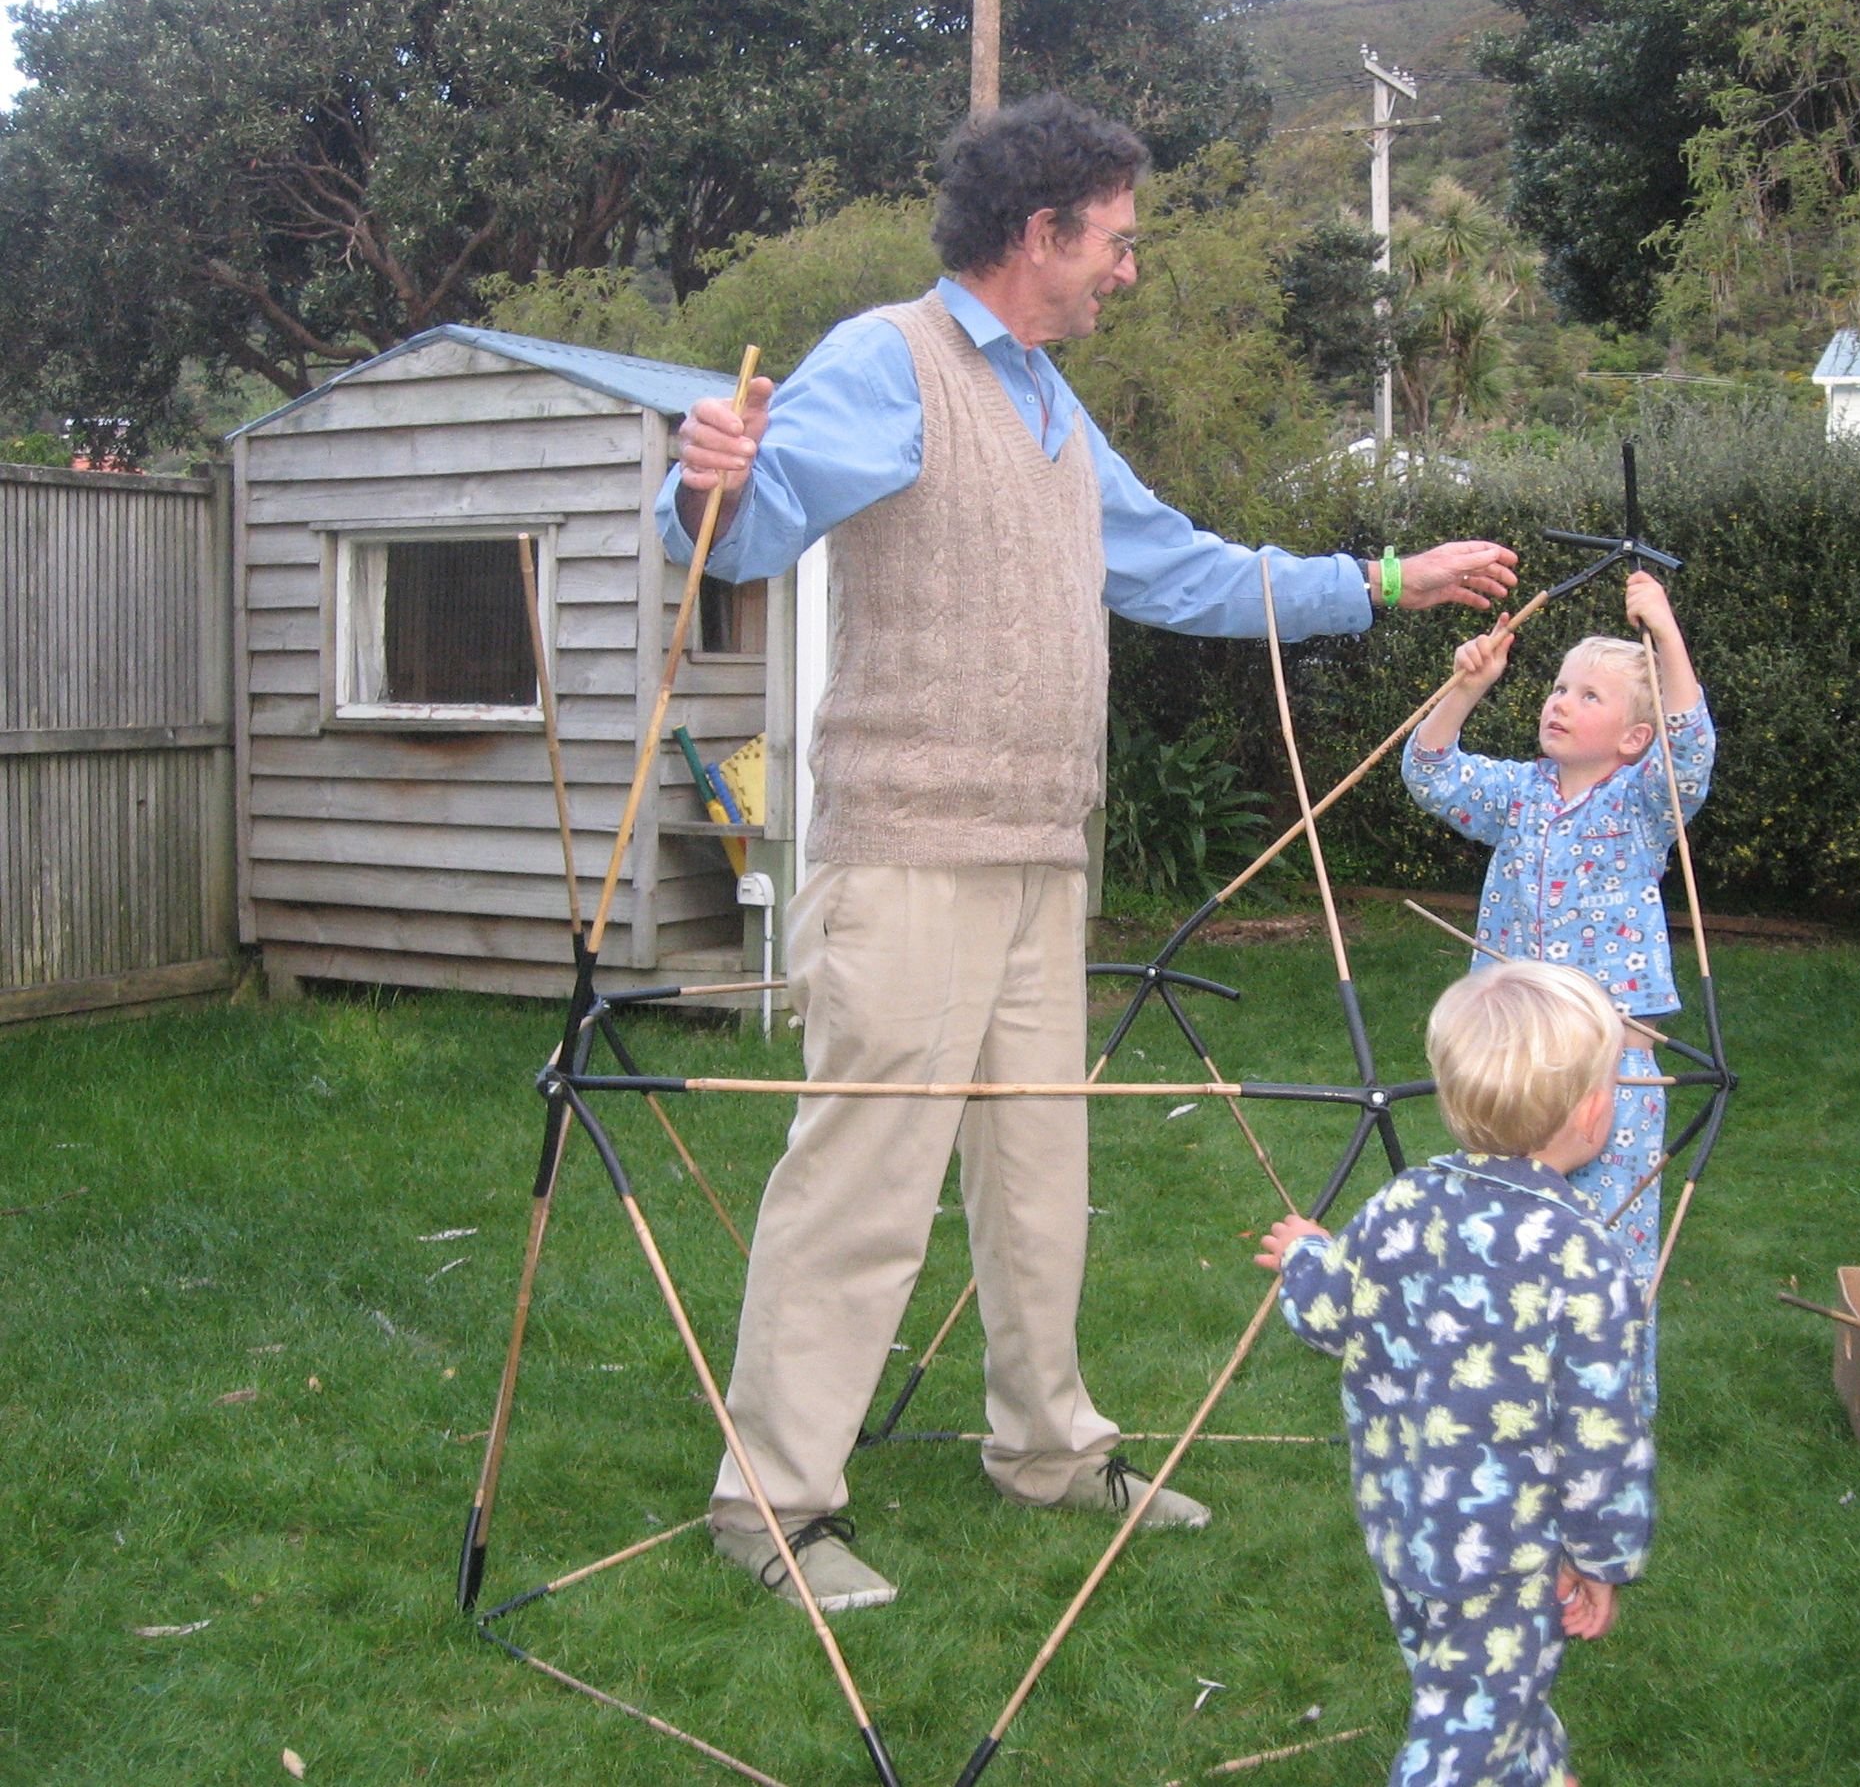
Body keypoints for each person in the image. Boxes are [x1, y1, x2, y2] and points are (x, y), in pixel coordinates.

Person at [655, 93, 1521, 1615]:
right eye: (1115, 240)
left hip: (1039, 857)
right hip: (911, 856)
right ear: (1039, 234)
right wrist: (707, 475)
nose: (1130, 267)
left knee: (1041, 1181)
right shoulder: (894, 360)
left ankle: (1049, 1449)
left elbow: (1182, 568)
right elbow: (745, 529)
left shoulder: (1053, 403)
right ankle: (774, 1502)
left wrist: (1387, 577)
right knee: (859, 1186)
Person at [1255, 961, 1653, 1787]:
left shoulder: (1402, 1205)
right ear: (1590, 1109)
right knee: (1460, 1737)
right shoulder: (1586, 1259)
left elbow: (1329, 1312)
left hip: (1403, 1525)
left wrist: (1304, 1256)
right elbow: (1600, 1433)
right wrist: (1602, 1555)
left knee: (1478, 1692)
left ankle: (1538, 1772)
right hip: (1505, 1555)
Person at [1397, 568, 1711, 1416]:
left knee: (1609, 1240)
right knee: (1510, 1235)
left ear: (1635, 737)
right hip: (1514, 1065)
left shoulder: (1646, 802)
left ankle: (1608, 1412)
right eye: (1559, 686)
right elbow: (1430, 775)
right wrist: (1465, 690)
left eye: (1590, 695)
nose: (1561, 701)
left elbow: (1693, 753)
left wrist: (1666, 634)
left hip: (1612, 1067)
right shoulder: (1519, 795)